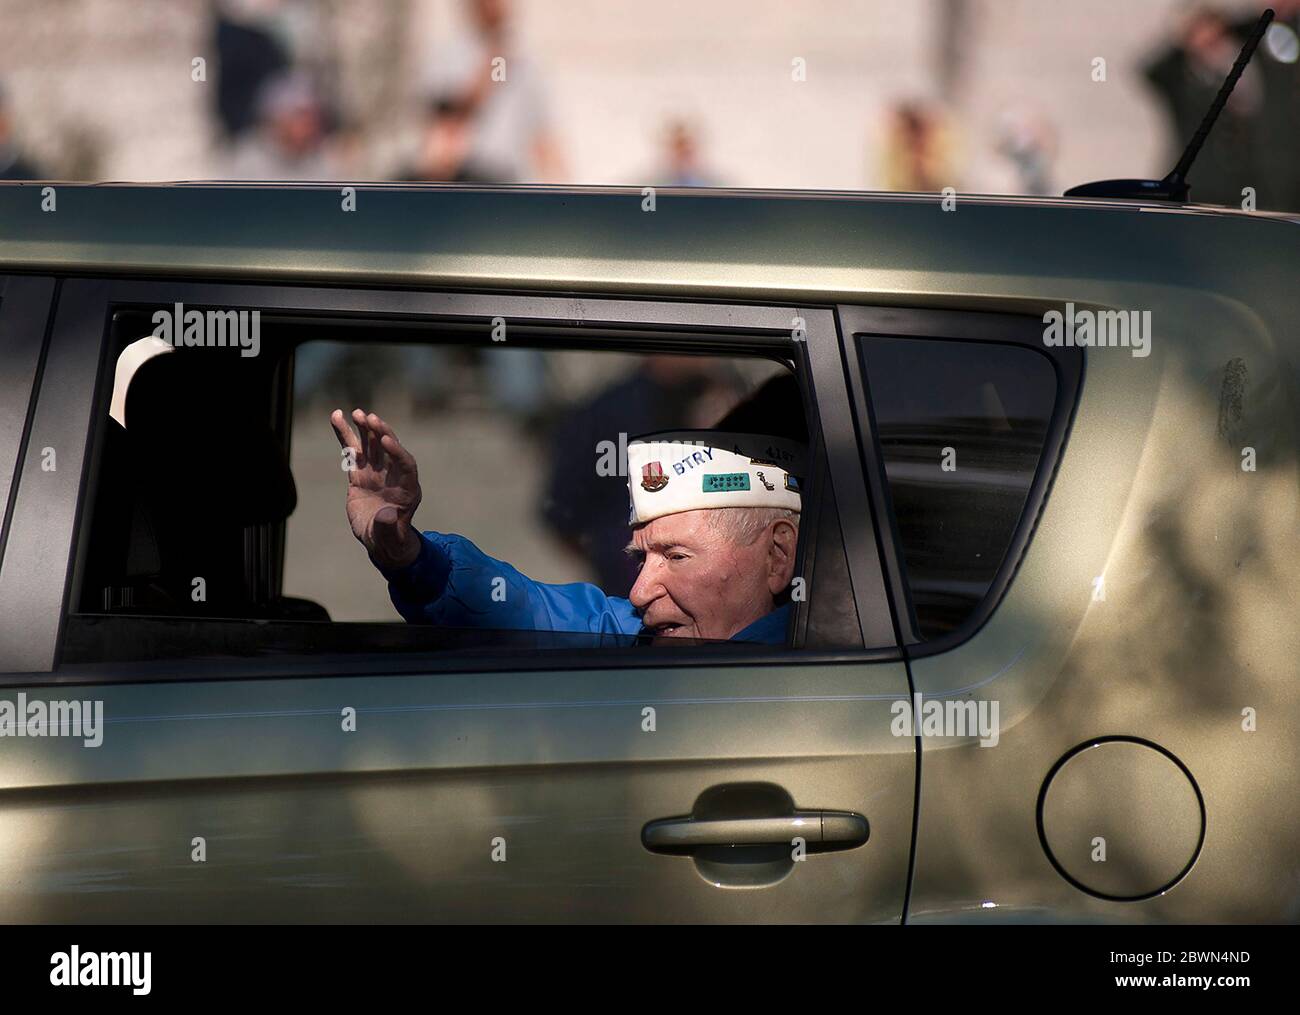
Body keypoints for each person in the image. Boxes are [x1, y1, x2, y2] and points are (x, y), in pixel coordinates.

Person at [329, 405, 804, 645]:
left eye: (676, 556)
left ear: (777, 557)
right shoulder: (639, 636)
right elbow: (523, 609)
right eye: (642, 557)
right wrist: (410, 555)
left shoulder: (829, 663)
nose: (639, 592)